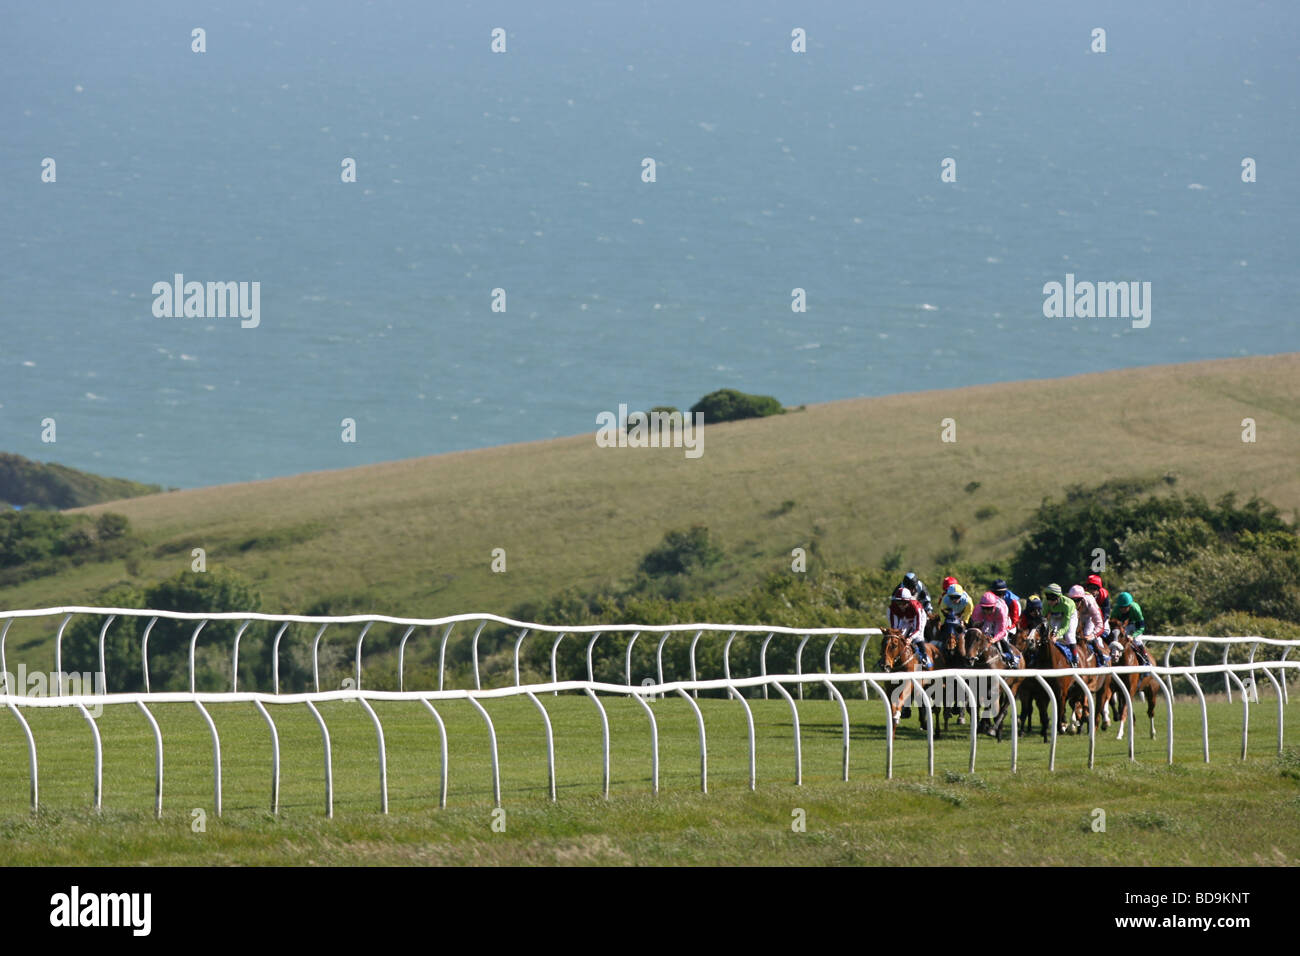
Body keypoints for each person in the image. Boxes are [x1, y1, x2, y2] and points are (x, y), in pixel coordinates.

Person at [972, 591, 1018, 668]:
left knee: (1001, 638)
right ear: (981, 607)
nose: (987, 611)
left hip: (999, 619)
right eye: (984, 608)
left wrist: (993, 640)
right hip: (985, 620)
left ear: (994, 606)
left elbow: (1002, 631)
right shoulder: (978, 610)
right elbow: (976, 628)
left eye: (989, 608)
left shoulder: (1001, 611)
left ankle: (1011, 659)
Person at [889, 586, 930, 669]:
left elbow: (918, 629)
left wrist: (910, 638)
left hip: (919, 617)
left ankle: (924, 657)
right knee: (900, 636)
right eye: (898, 603)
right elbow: (895, 629)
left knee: (918, 637)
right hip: (906, 618)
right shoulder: (893, 608)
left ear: (909, 601)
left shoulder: (916, 608)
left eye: (903, 603)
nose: (901, 606)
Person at [1068, 584, 1108, 664]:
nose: (1075, 603)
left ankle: (1101, 657)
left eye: (1078, 600)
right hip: (1075, 617)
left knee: (1087, 633)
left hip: (1089, 618)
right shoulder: (1067, 604)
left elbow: (1100, 624)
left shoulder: (1090, 602)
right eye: (1073, 600)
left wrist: (1092, 635)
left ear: (1082, 599)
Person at [1043, 583, 1079, 665]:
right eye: (1048, 598)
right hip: (1055, 615)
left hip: (1070, 615)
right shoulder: (1045, 602)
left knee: (1069, 635)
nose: (1049, 602)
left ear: (1059, 597)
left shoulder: (1067, 605)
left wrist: (1057, 635)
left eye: (1052, 599)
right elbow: (1045, 618)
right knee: (1049, 635)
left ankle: (1075, 658)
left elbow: (1065, 626)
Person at [1110, 591, 1150, 665]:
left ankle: (1145, 660)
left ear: (1130, 605)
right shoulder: (1116, 610)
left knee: (1137, 640)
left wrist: (1133, 636)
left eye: (1125, 607)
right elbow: (1113, 626)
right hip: (1122, 628)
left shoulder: (1136, 609)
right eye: (1121, 607)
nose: (1123, 610)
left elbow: (1141, 627)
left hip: (1135, 625)